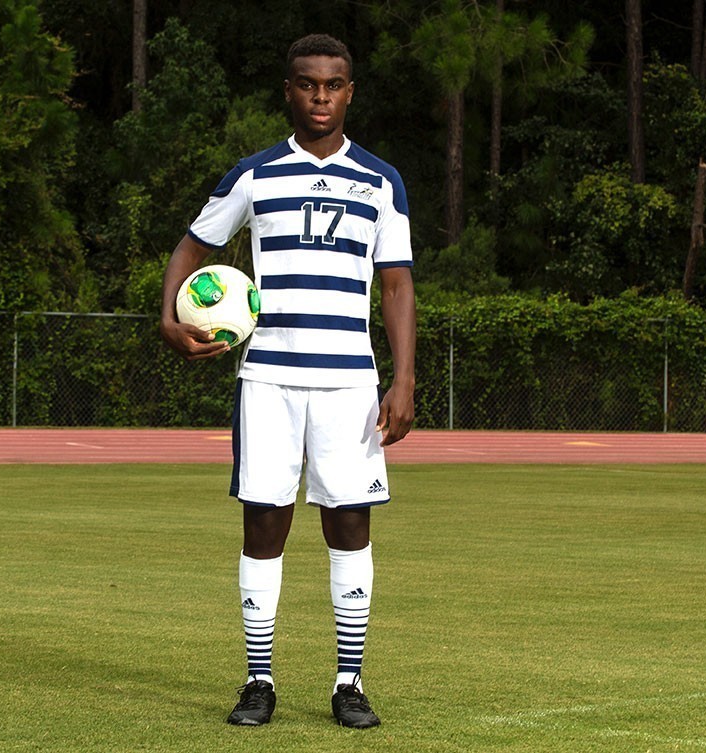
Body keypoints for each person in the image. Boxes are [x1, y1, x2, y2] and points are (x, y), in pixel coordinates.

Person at [160, 33, 415, 729]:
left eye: (334, 85)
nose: (321, 96)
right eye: (308, 84)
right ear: (289, 91)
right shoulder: (255, 173)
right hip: (268, 381)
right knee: (264, 522)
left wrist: (404, 377)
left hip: (349, 386)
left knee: (349, 524)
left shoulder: (381, 179)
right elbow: (191, 245)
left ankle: (350, 681)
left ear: (351, 92)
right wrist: (167, 318)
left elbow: (396, 283)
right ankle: (258, 679)